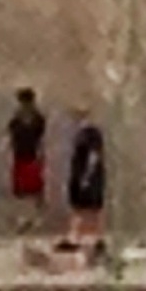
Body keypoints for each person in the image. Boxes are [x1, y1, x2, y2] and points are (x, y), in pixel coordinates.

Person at [61, 106, 107, 257]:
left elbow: (94, 155)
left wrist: (87, 175)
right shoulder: (80, 134)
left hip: (89, 176)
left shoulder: (91, 134)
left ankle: (97, 240)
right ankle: (76, 237)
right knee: (78, 207)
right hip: (80, 174)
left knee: (92, 208)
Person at [6, 88, 48, 230]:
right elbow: (11, 138)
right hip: (20, 155)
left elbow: (41, 139)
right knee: (22, 189)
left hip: (32, 156)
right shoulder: (16, 120)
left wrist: (41, 154)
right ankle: (24, 217)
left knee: (34, 188)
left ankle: (34, 217)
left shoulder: (37, 119)